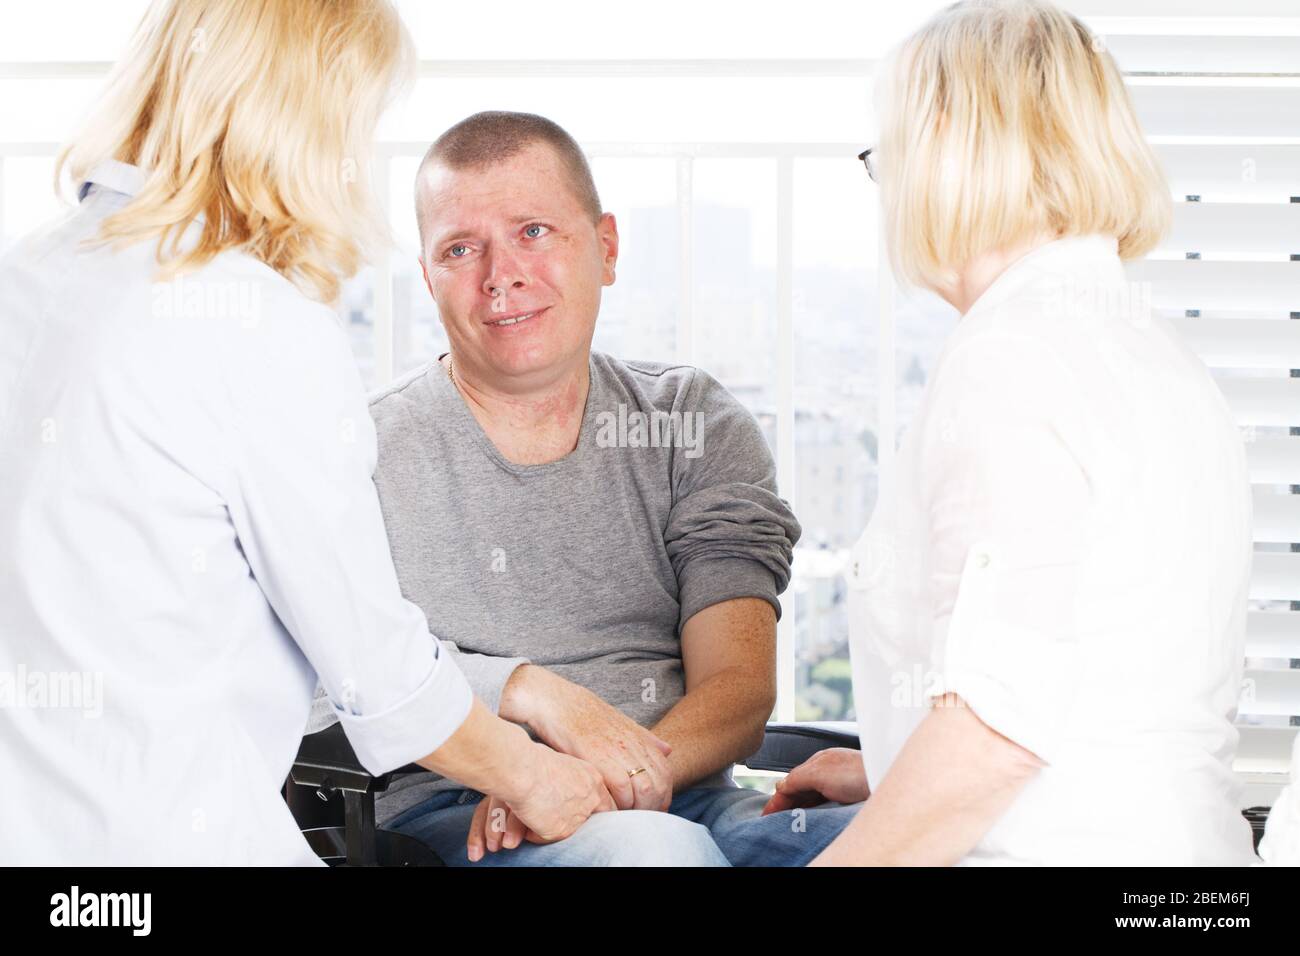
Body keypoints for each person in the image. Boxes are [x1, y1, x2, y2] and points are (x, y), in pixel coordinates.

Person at [0, 0, 609, 866]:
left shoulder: (24, 275)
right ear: (304, 117)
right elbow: (379, 673)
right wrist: (538, 778)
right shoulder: (247, 316)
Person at [770, 0, 1260, 866]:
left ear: (955, 144)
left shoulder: (1012, 356)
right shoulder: (1143, 343)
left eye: (892, 154)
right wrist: (890, 767)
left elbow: (996, 736)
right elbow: (1099, 677)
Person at [308, 110, 860, 866]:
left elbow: (737, 686)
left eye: (533, 231)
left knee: (931, 839)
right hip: (458, 820)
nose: (501, 275)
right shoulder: (361, 452)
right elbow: (336, 675)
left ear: (605, 247)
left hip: (687, 789)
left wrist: (598, 777)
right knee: (652, 853)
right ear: (429, 274)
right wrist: (527, 758)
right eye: (461, 249)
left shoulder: (687, 420)